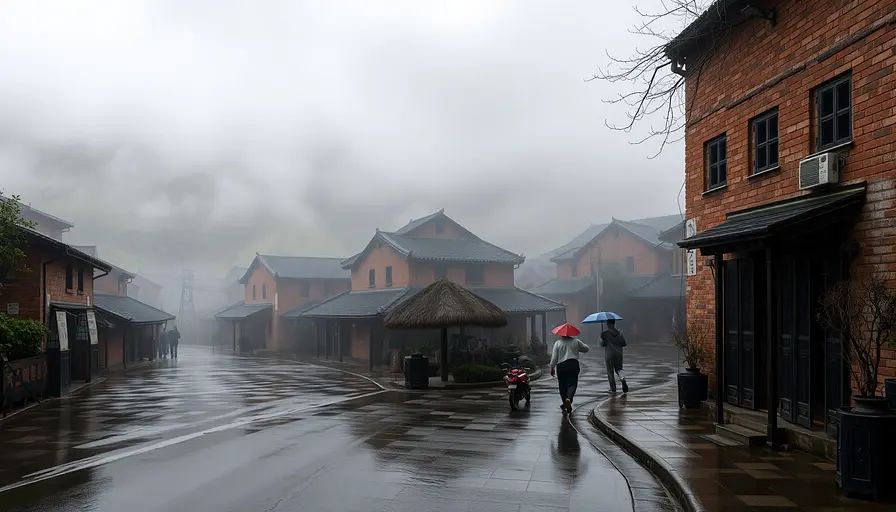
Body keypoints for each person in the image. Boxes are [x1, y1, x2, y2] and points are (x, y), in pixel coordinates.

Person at [549, 334, 590, 413]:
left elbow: (554, 357)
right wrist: (578, 348)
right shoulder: (576, 342)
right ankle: (569, 399)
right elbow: (586, 349)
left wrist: (552, 367)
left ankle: (565, 401)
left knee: (562, 385)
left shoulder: (558, 343)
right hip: (573, 364)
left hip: (561, 365)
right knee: (572, 384)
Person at [600, 319, 629, 393]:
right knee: (619, 369)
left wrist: (602, 338)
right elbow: (624, 343)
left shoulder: (605, 334)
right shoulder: (619, 333)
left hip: (609, 355)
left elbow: (602, 344)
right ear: (614, 323)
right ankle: (623, 379)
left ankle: (613, 389)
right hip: (619, 354)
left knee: (610, 372)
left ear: (608, 324)